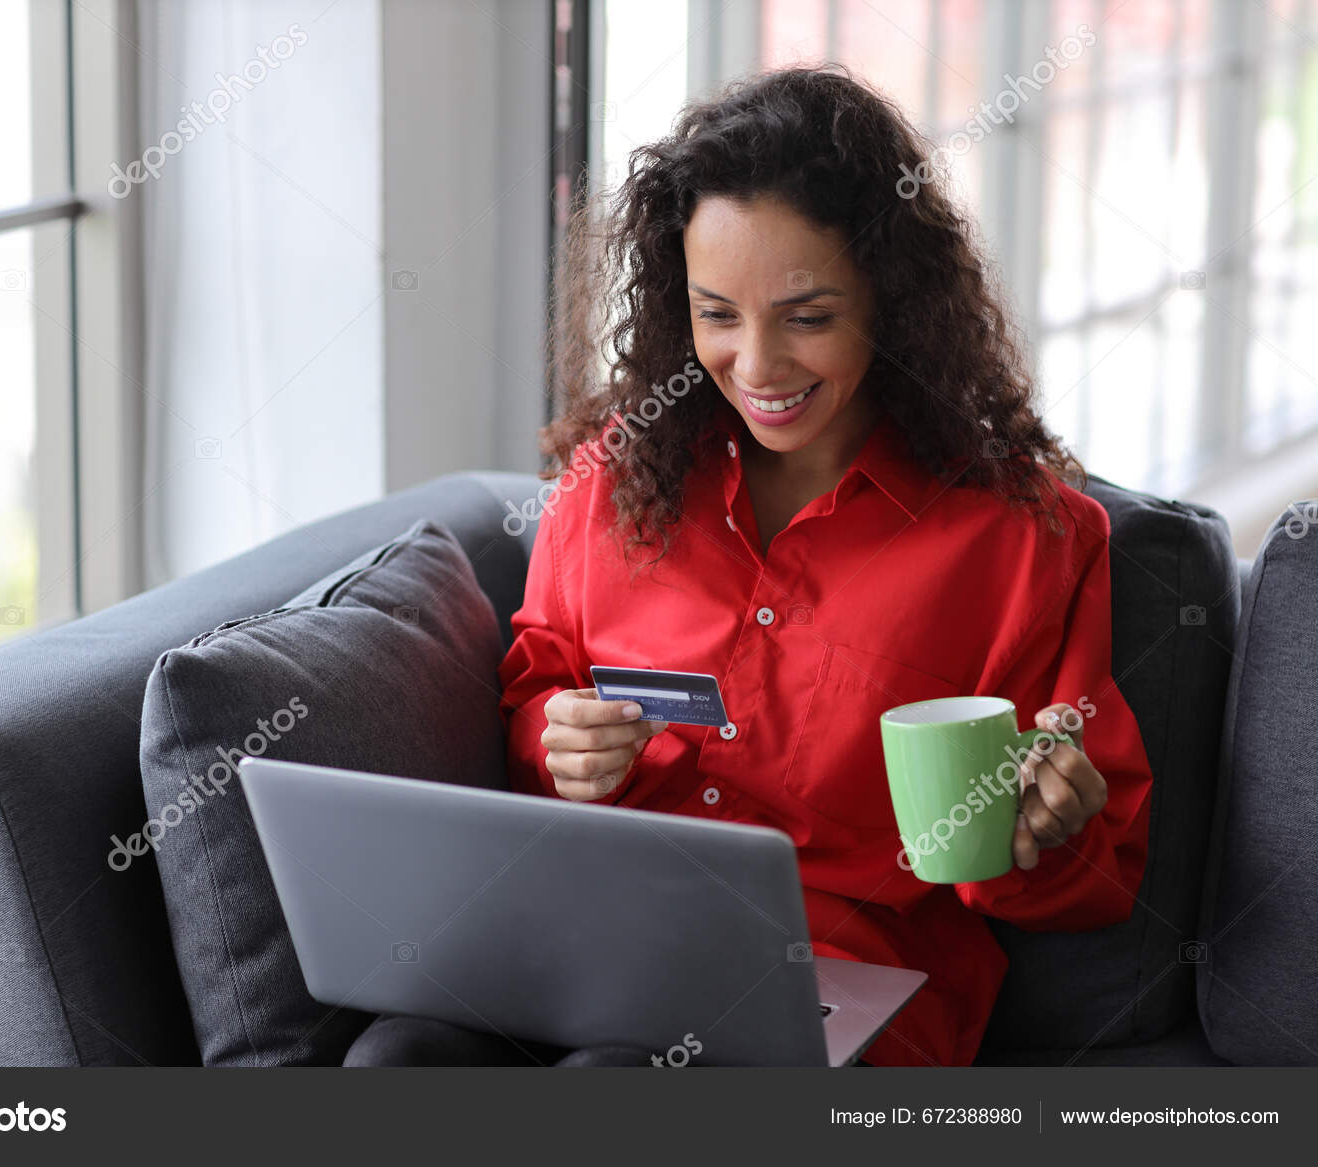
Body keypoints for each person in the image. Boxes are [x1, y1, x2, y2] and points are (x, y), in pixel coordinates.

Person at [344, 64, 1152, 1069]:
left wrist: (1045, 827)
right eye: (717, 314)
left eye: (807, 317)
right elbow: (541, 684)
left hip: (845, 980)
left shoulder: (1025, 539)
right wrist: (558, 746)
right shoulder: (611, 481)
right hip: (601, 932)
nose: (758, 367)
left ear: (890, 302)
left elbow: (1094, 872)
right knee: (394, 1057)